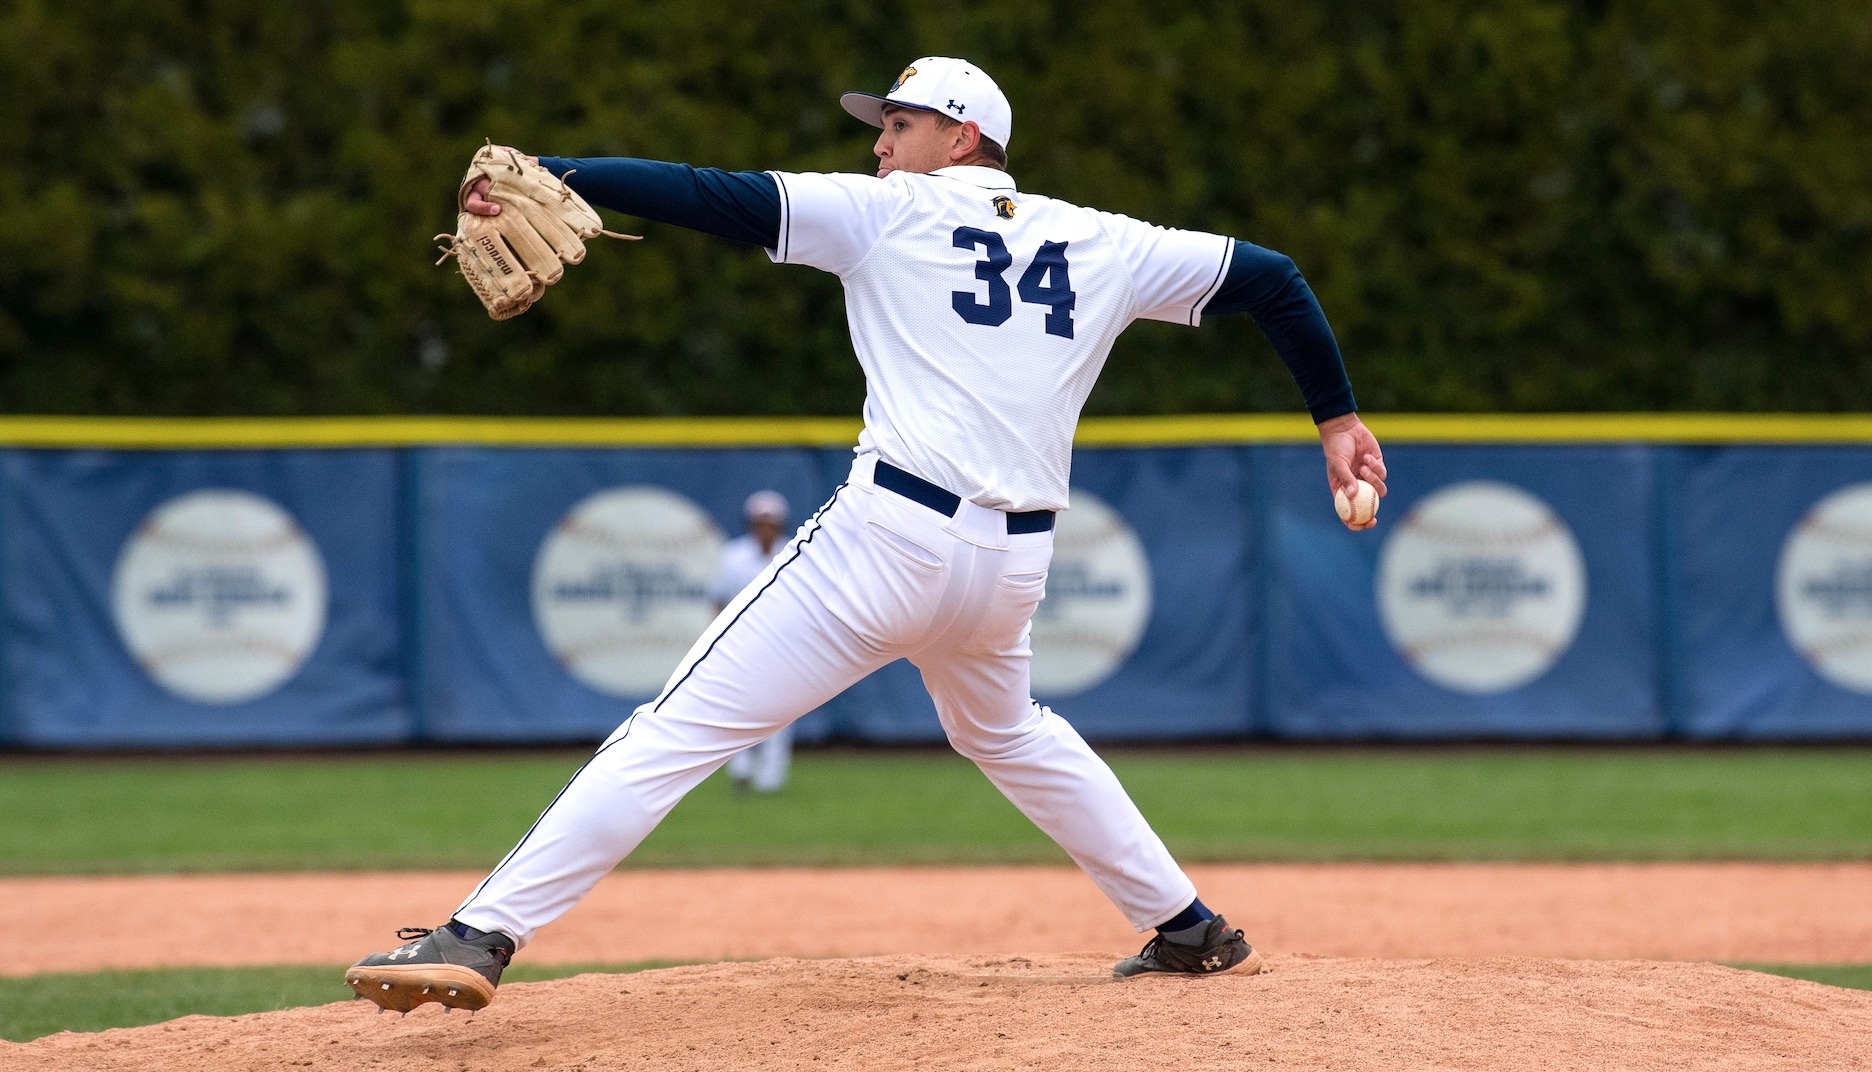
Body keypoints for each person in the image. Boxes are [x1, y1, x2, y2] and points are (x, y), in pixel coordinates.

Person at [346, 56, 1387, 1014]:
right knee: (1006, 730)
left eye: (898, 124)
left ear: (963, 138)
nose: (880, 145)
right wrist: (1336, 419)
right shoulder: (1105, 240)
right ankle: (1188, 930)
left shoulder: (887, 212)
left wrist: (555, 168)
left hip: (890, 538)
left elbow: (710, 194)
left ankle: (478, 934)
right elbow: (1274, 279)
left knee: (674, 731)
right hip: (1013, 565)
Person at [709, 490, 797, 794]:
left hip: (782, 646)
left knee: (780, 709)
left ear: (781, 524)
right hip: (740, 643)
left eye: (770, 523)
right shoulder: (733, 556)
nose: (765, 528)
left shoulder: (795, 552)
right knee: (736, 708)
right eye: (760, 522)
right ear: (750, 524)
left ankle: (770, 780)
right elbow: (718, 601)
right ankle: (741, 771)